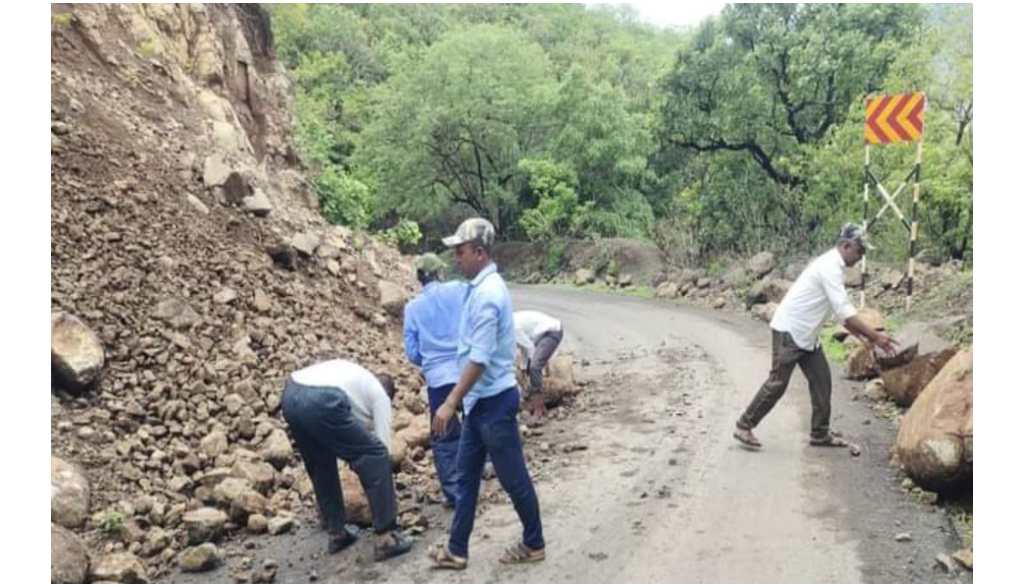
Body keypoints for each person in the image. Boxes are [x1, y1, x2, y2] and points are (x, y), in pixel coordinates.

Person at [429, 218, 545, 570]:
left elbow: (478, 359)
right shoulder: (480, 288)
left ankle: (533, 543)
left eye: (460, 252)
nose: (456, 259)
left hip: (492, 403)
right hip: (480, 403)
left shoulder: (488, 295)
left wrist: (449, 403)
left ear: (479, 252)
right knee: (465, 477)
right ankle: (457, 549)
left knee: (513, 478)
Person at [733, 223, 898, 449]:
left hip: (807, 336)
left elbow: (840, 313)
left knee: (822, 381)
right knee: (777, 383)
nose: (861, 256)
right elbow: (844, 311)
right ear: (846, 245)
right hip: (790, 331)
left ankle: (819, 434)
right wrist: (876, 337)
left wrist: (865, 337)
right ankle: (744, 425)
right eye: (860, 251)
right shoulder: (829, 266)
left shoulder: (834, 267)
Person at [280, 358, 413, 561]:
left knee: (320, 463)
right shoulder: (380, 396)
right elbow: (381, 452)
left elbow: (344, 435)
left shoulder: (356, 381)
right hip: (321, 399)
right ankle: (387, 538)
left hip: (290, 395)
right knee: (375, 455)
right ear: (389, 394)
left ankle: (337, 533)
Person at [403, 253, 467, 508]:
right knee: (477, 422)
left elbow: (412, 352)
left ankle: (454, 493)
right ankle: (487, 470)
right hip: (467, 370)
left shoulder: (412, 308)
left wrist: (430, 360)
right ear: (441, 272)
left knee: (444, 435)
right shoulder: (458, 290)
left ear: (419, 279)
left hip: (439, 379)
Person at [514, 310, 564, 419]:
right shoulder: (510, 324)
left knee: (535, 368)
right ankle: (538, 402)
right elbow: (524, 347)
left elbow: (529, 348)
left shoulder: (512, 328)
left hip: (552, 331)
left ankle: (539, 408)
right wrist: (524, 366)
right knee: (532, 368)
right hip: (541, 335)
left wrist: (528, 367)